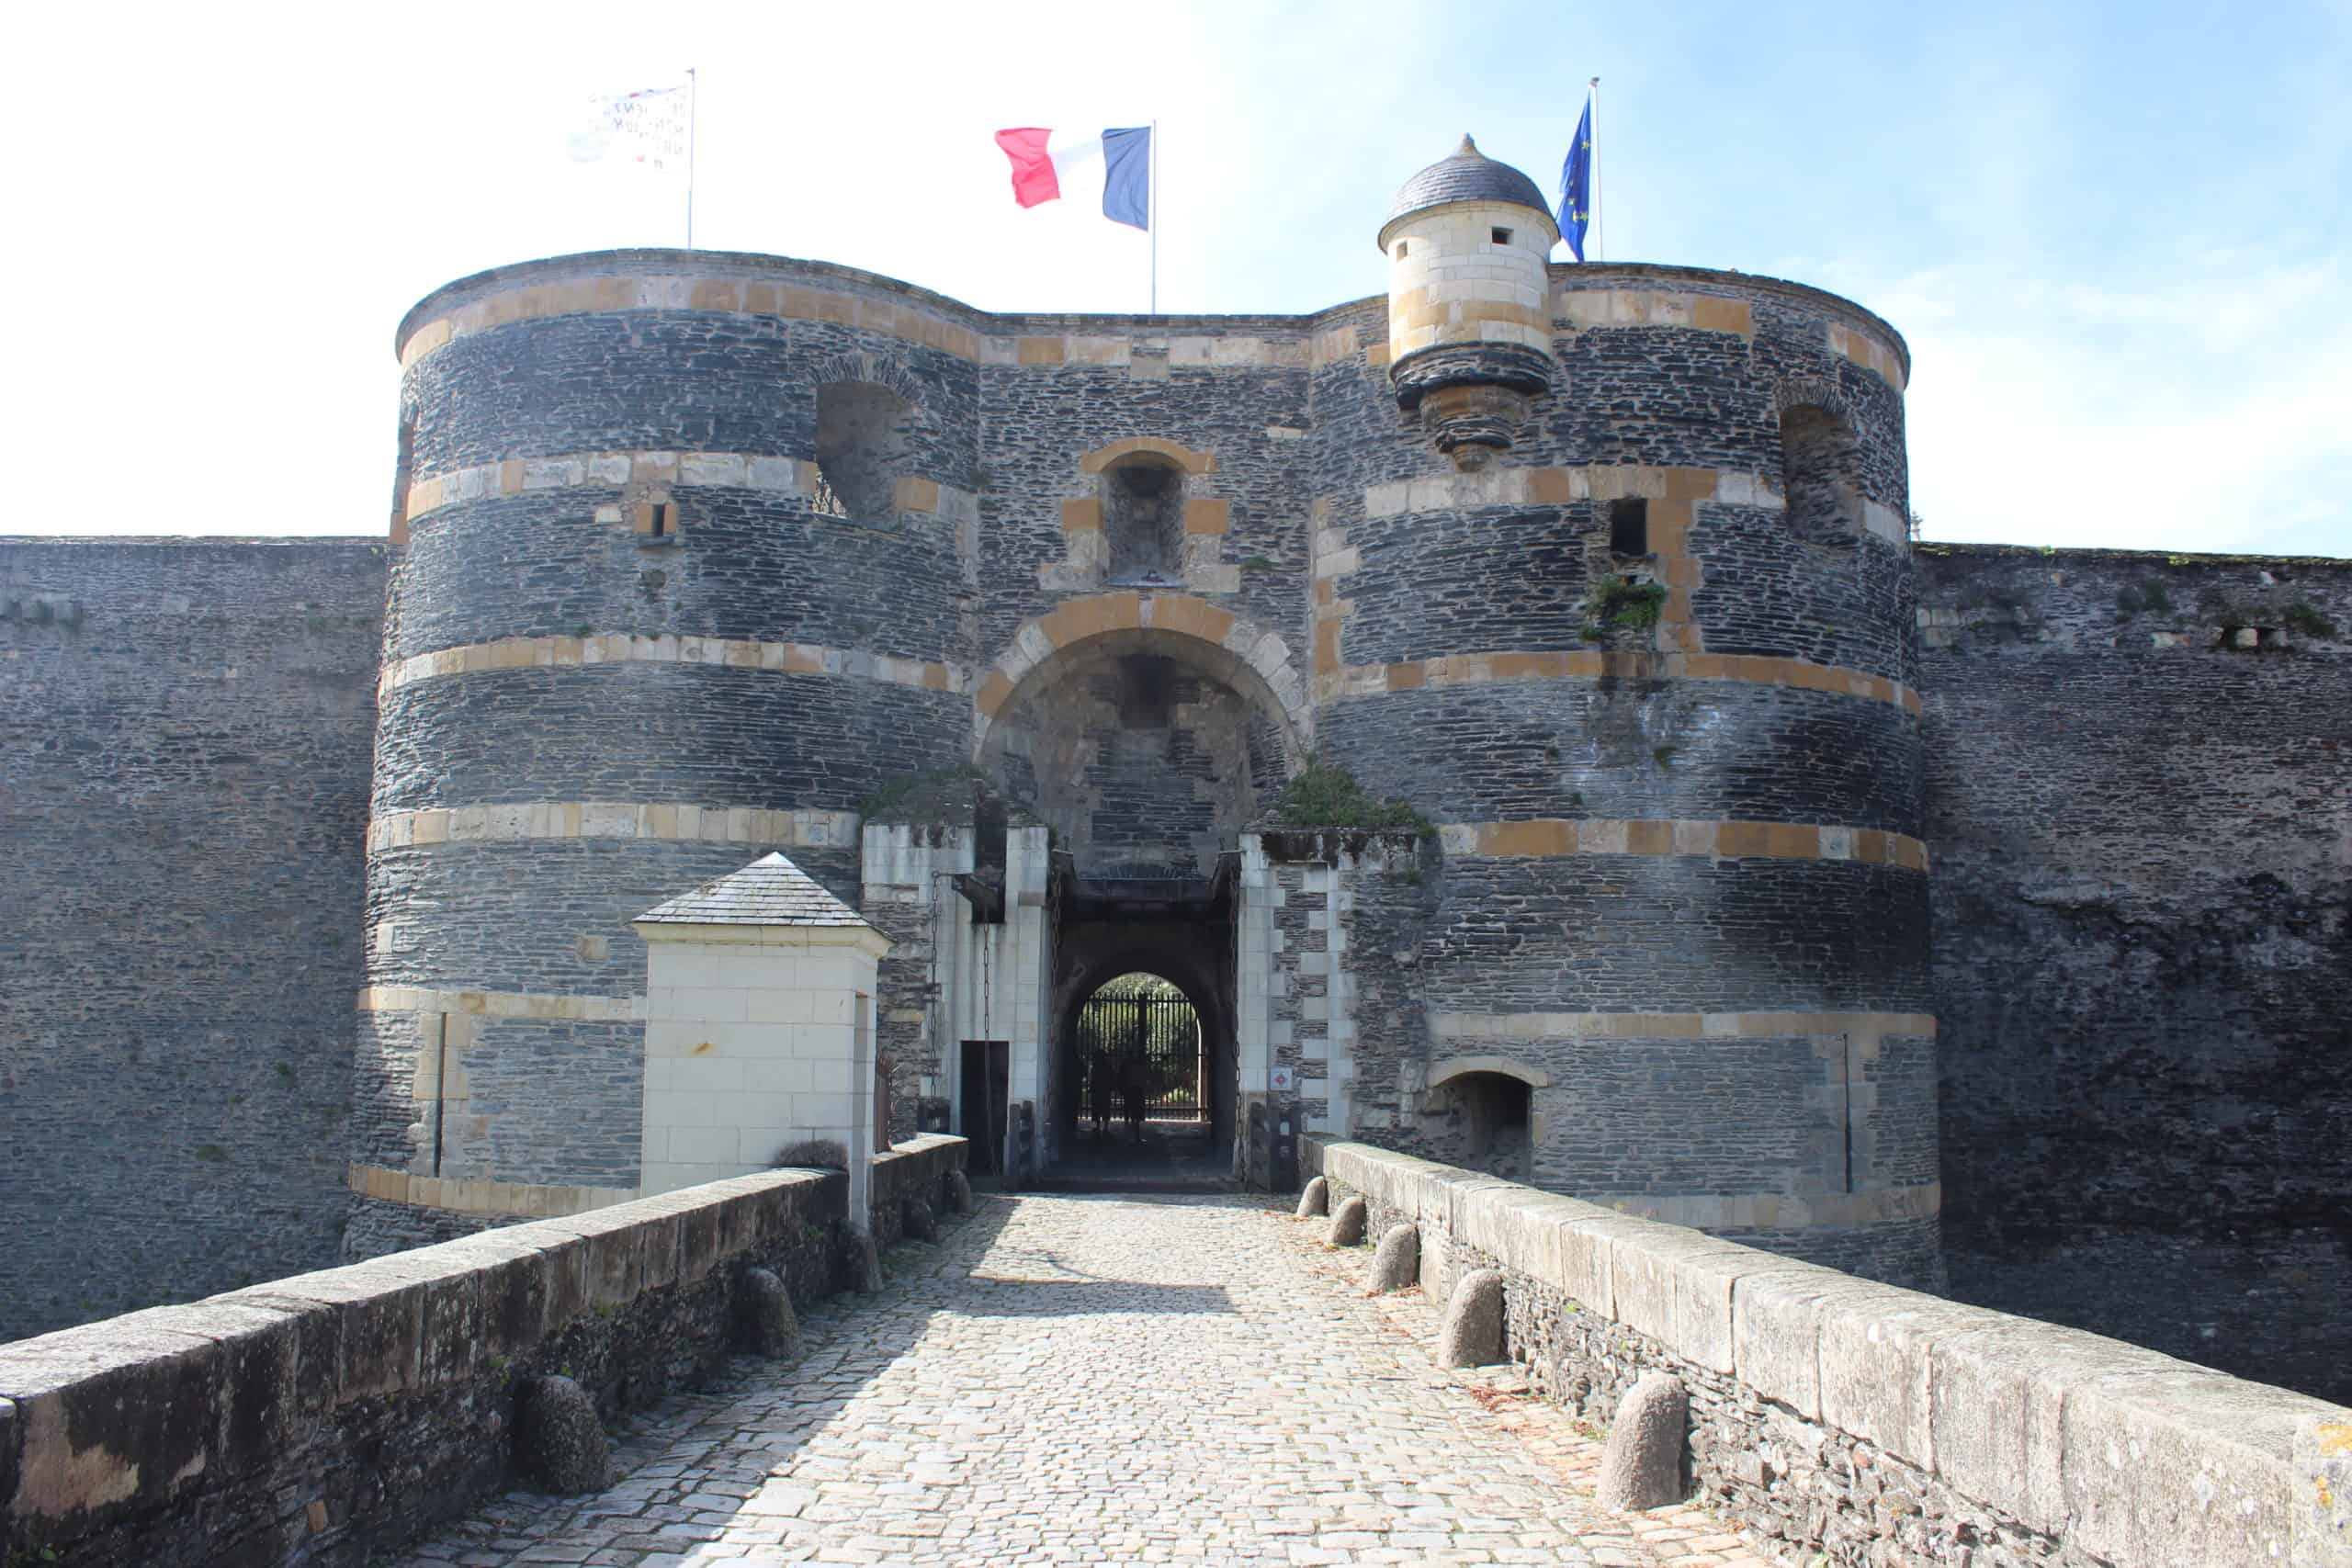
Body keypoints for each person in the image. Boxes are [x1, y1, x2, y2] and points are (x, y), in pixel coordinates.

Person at [1120, 1052, 1148, 1144]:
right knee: (1136, 1112)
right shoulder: (1139, 1067)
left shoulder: (1127, 1066)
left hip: (1130, 1090)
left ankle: (1131, 1131)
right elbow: (1143, 1080)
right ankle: (1136, 1134)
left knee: (1131, 1110)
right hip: (1137, 1090)